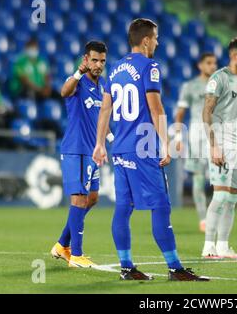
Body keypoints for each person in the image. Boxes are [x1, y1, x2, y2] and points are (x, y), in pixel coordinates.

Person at [93, 18, 209, 281]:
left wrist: (100, 144)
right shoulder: (150, 67)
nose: (157, 42)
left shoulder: (115, 69)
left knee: (123, 207)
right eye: (155, 37)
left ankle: (126, 267)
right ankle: (175, 268)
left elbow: (105, 109)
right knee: (161, 206)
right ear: (146, 40)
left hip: (120, 149)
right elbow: (156, 108)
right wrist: (165, 144)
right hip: (143, 147)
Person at [51, 41, 113, 268]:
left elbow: (101, 119)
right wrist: (78, 71)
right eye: (94, 60)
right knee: (78, 198)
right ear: (86, 59)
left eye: (102, 61)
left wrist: (111, 140)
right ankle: (76, 255)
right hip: (76, 149)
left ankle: (61, 244)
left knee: (92, 198)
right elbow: (63, 91)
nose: (98, 65)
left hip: (92, 151)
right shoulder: (77, 81)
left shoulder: (103, 86)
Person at [201, 37, 237, 259]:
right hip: (222, 143)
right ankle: (208, 247)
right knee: (220, 197)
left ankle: (223, 246)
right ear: (235, 56)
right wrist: (214, 146)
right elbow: (206, 112)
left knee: (232, 200)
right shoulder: (219, 78)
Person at [174, 52, 218, 232]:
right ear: (200, 65)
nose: (212, 66)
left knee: (219, 179)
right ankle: (203, 219)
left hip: (218, 133)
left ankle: (217, 216)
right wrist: (178, 137)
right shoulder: (190, 86)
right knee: (198, 178)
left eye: (214, 63)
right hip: (197, 134)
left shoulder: (220, 85)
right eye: (208, 63)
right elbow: (180, 113)